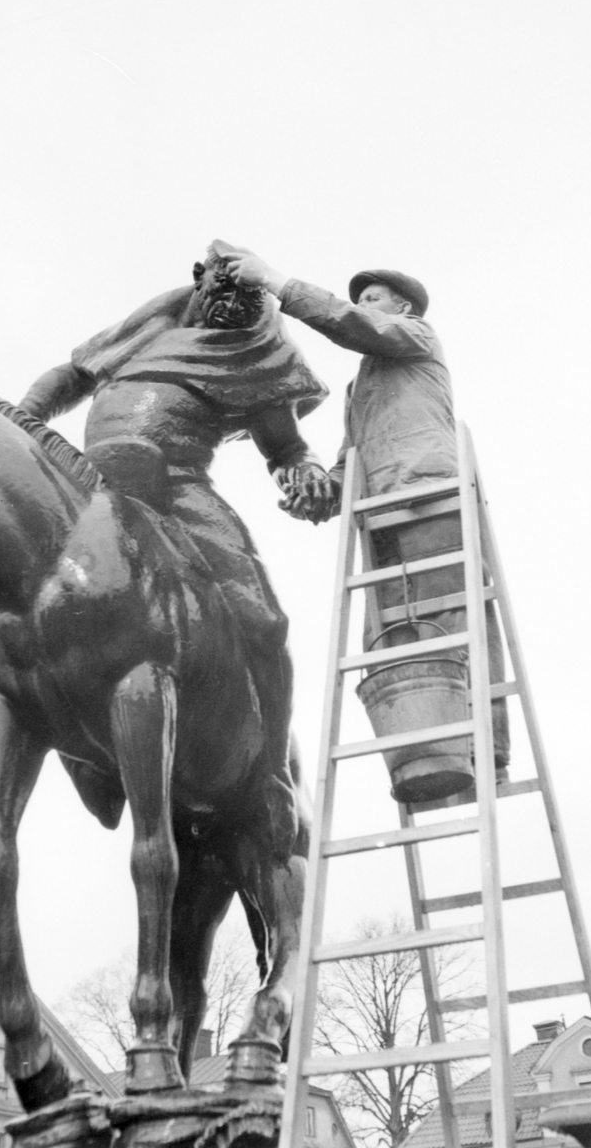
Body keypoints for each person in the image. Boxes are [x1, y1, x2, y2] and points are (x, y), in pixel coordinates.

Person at [214, 244, 510, 783]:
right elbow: (350, 459)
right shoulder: (361, 388)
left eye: (375, 299)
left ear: (404, 311)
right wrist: (318, 494)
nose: (365, 306)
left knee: (450, 614)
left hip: (425, 494)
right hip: (381, 516)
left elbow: (344, 322)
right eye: (363, 299)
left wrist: (275, 281)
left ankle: (486, 748)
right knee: (398, 636)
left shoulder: (418, 340)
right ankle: (431, 757)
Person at [18, 246, 333, 656]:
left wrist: (307, 472)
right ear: (199, 275)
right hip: (89, 475)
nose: (236, 302)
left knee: (260, 616)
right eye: (225, 286)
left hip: (178, 487)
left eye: (250, 294)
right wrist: (22, 417)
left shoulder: (258, 350)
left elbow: (287, 447)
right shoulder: (150, 327)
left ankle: (258, 710)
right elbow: (73, 376)